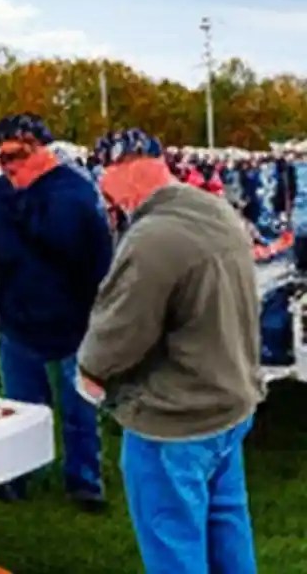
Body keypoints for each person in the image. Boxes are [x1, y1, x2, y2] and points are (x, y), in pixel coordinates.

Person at [77, 129, 262, 574]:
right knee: (228, 534)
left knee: (175, 547)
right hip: (229, 401)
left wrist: (89, 371)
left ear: (124, 168)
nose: (103, 188)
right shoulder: (215, 211)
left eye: (103, 175)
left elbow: (119, 333)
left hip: (174, 419)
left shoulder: (153, 237)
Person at [0, 113, 112, 510]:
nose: (6, 167)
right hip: (17, 323)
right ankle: (16, 477)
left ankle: (85, 481)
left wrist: (105, 328)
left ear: (42, 152)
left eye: (14, 157)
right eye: (0, 158)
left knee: (80, 409)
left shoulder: (78, 194)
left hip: (75, 324)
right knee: (20, 411)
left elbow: (103, 267)